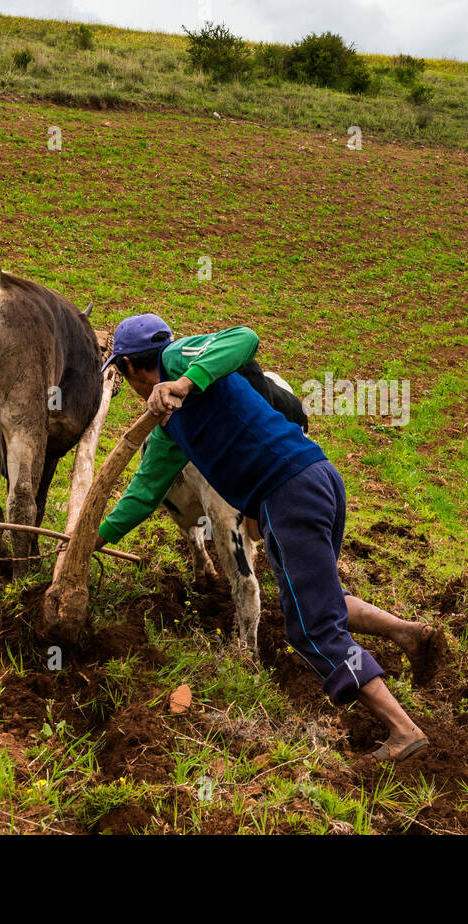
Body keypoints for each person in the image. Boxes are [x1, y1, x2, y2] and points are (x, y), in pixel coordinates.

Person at [95, 314, 443, 761]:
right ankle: (408, 634)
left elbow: (244, 338)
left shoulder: (177, 358)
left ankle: (402, 730)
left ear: (129, 367)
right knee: (318, 595)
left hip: (290, 492)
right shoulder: (168, 428)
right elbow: (142, 495)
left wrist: (183, 383)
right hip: (313, 483)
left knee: (312, 629)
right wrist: (94, 539)